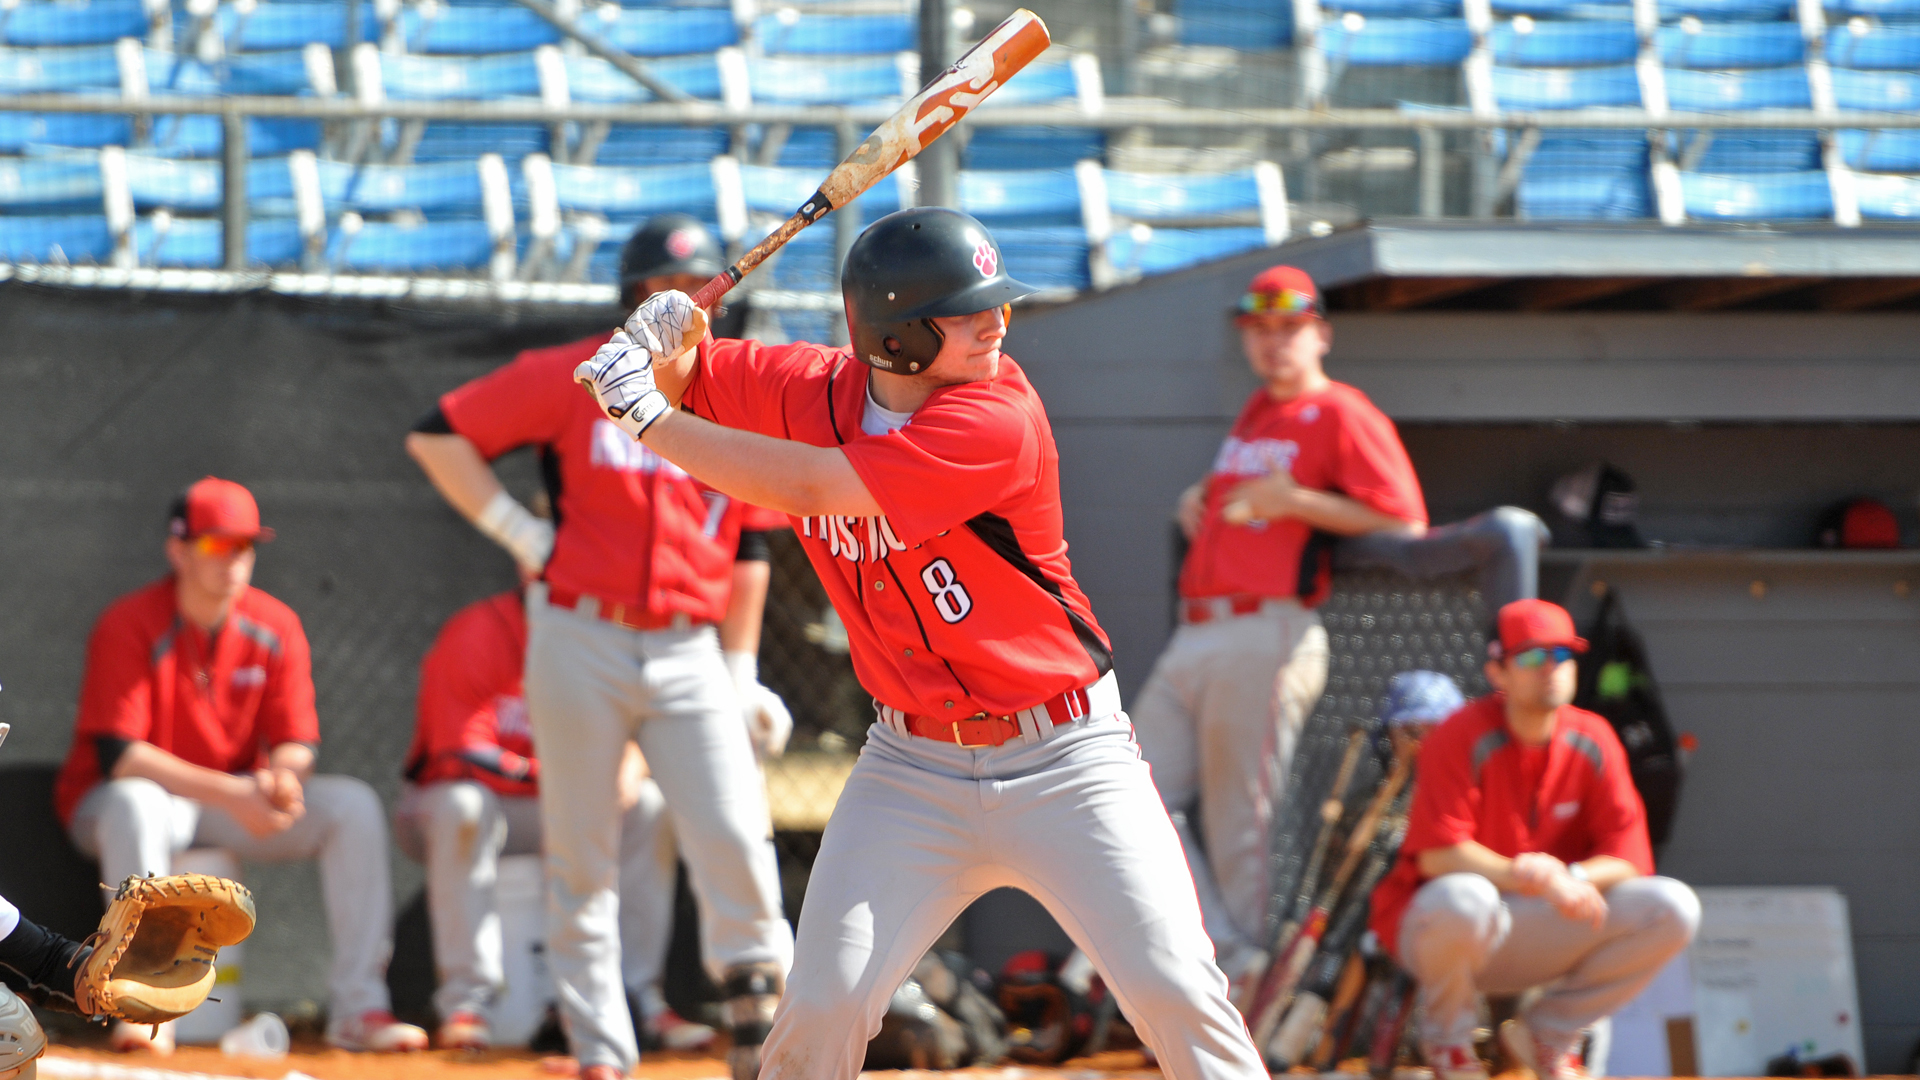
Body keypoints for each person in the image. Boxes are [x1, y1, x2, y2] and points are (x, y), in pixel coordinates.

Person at [572, 205, 1270, 1080]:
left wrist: (648, 419)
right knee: (820, 1007)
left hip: (1066, 756)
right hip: (911, 770)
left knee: (1175, 990)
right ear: (898, 335)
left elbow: (819, 484)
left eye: (996, 304)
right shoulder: (808, 388)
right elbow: (685, 374)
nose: (997, 323)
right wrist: (653, 339)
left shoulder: (997, 415)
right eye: (967, 310)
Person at [405, 215, 793, 1080]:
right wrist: (516, 530)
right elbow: (438, 433)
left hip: (691, 645)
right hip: (579, 633)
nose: (679, 306)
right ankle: (599, 1051)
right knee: (582, 847)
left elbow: (752, 547)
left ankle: (764, 1013)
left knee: (732, 829)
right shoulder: (584, 372)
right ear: (629, 296)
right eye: (660, 290)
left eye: (693, 292)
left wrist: (741, 668)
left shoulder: (733, 388)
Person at [1131, 264, 1429, 997]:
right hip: (1197, 631)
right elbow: (1244, 494)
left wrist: (1296, 500)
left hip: (1266, 631)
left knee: (1243, 830)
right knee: (1123, 795)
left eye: (1289, 327)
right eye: (1259, 330)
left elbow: (1405, 520)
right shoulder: (1259, 411)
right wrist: (1200, 495)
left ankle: (1247, 985)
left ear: (1320, 333)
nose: (1273, 343)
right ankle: (1226, 954)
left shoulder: (1343, 412)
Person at [52, 477, 425, 1054]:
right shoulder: (129, 622)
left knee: (352, 806)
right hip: (121, 803)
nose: (232, 561)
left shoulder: (274, 624)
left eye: (244, 547)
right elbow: (121, 759)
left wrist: (283, 781)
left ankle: (360, 1007)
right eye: (214, 546)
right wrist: (237, 794)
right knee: (138, 804)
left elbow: (297, 738)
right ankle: (144, 1005)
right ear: (178, 550)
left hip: (229, 803)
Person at [394, 589, 755, 1051]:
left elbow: (650, 720)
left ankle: (638, 997)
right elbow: (462, 751)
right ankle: (468, 1004)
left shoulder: (612, 633)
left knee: (647, 805)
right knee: (463, 808)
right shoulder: (478, 631)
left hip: (563, 806)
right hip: (468, 806)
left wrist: (631, 761)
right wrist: (572, 781)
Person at [1367, 599, 1700, 1080]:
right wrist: (1527, 873)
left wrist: (1570, 876)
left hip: (1539, 924)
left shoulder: (1595, 735)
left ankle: (1549, 1033)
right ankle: (1449, 1046)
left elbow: (1629, 852)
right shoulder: (1459, 733)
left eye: (1562, 656)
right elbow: (1439, 856)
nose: (1550, 669)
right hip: (1444, 931)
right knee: (1466, 898)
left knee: (1672, 906)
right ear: (1497, 672)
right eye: (1531, 657)